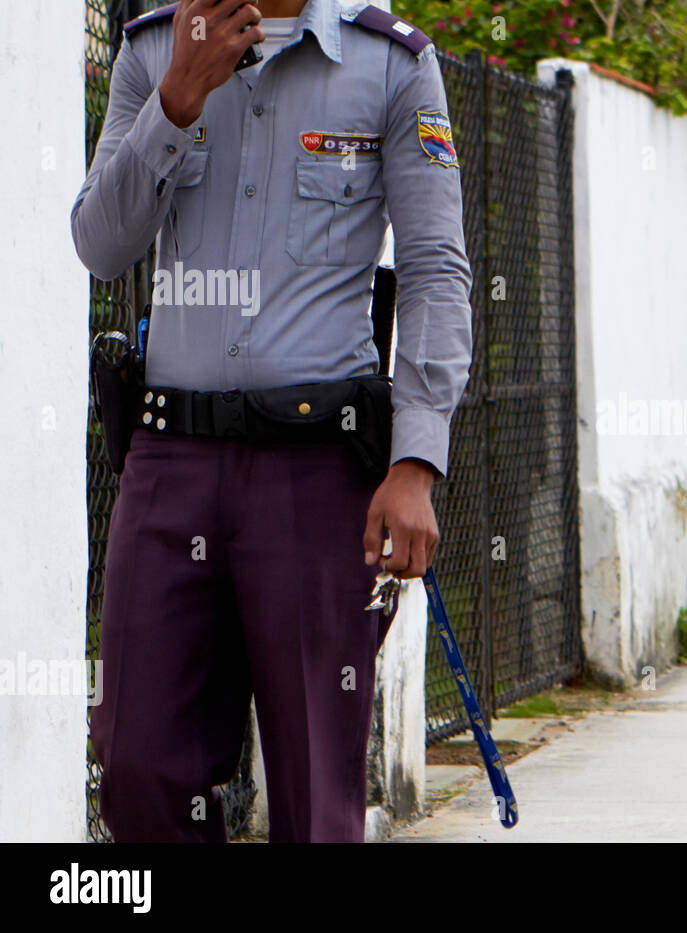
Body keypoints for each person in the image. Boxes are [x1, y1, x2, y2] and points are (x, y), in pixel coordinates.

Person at [70, 0, 472, 842]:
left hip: (317, 475)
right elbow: (101, 245)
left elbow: (435, 270)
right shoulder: (154, 49)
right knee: (138, 765)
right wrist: (178, 99)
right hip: (168, 462)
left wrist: (416, 460)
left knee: (314, 788)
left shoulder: (393, 62)